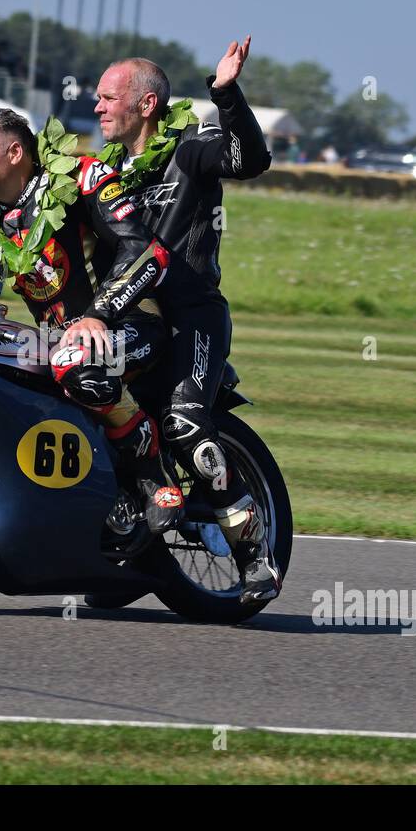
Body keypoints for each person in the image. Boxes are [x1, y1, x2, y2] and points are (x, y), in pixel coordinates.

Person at [93, 38, 281, 603]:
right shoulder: (101, 173)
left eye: (108, 98)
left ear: (145, 105)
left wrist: (225, 94)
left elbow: (251, 160)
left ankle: (255, 560)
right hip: (130, 317)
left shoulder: (190, 150)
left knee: (185, 426)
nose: (97, 107)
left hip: (190, 318)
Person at [0, 108, 183, 534]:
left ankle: (153, 475)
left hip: (129, 323)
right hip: (55, 342)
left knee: (74, 359)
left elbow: (148, 252)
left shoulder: (80, 179)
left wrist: (97, 316)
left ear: (15, 151)